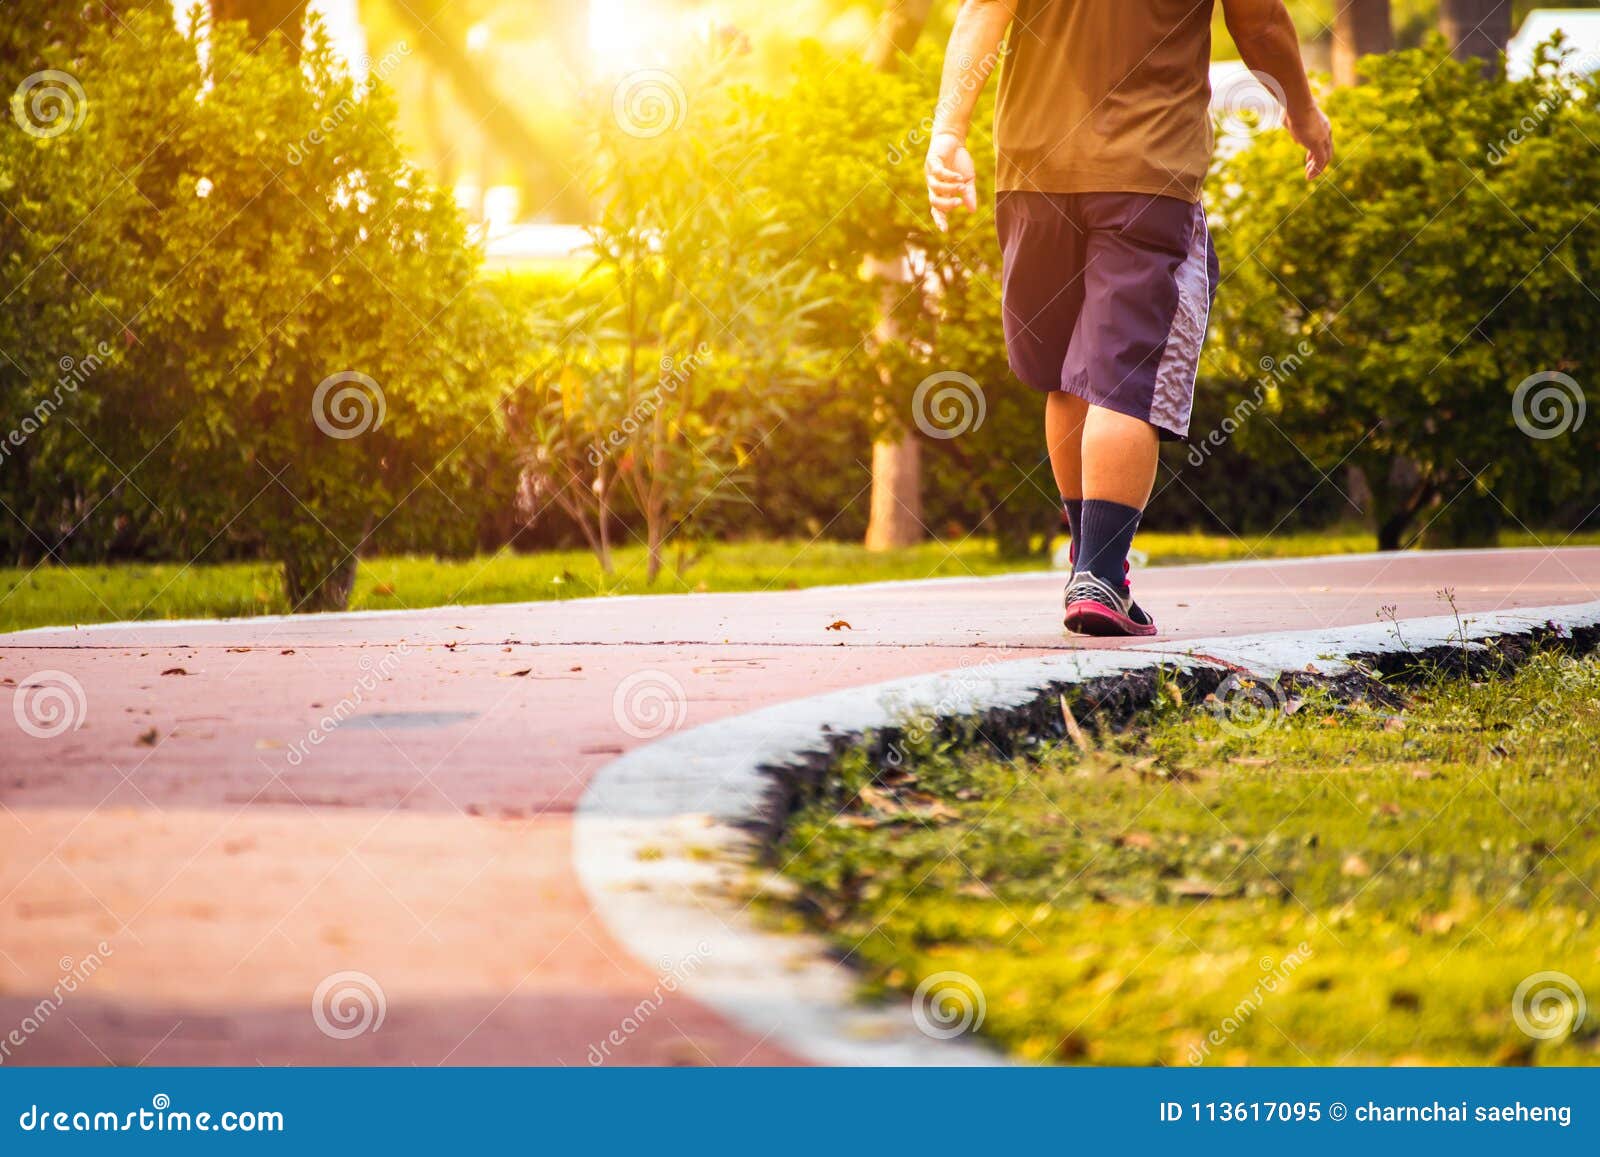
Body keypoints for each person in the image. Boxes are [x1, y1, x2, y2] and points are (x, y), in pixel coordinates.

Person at [926, 0, 1332, 636]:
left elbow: (983, 12)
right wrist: (1303, 111)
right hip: (1147, 169)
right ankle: (1100, 573)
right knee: (1122, 378)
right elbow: (1261, 24)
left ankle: (1089, 565)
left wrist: (948, 133)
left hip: (1034, 167)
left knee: (1067, 375)